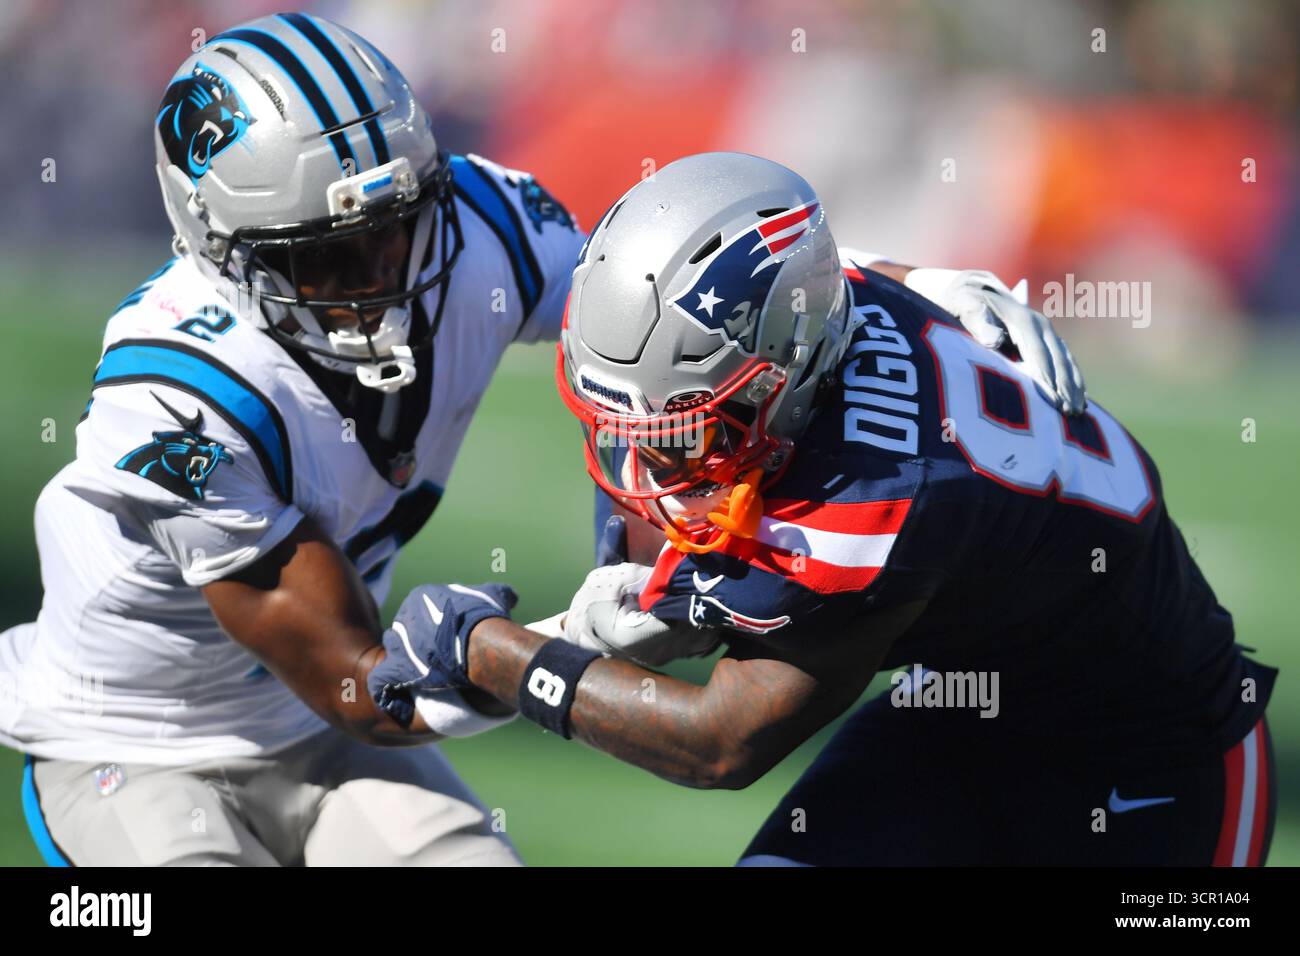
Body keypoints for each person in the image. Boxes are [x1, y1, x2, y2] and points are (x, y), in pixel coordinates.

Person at [371, 152, 1278, 866]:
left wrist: (496, 654)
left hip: (1157, 761)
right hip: (964, 714)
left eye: (687, 428)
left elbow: (721, 745)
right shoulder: (817, 306)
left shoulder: (880, 493)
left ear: (790, 377)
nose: (650, 458)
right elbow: (832, 269)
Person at [0, 12, 584, 866]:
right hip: (132, 743)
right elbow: (358, 684)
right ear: (222, 251)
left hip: (312, 732)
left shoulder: (482, 226)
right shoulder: (177, 392)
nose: (381, 280)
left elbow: (644, 320)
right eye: (329, 258)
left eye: (390, 231)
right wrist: (553, 659)